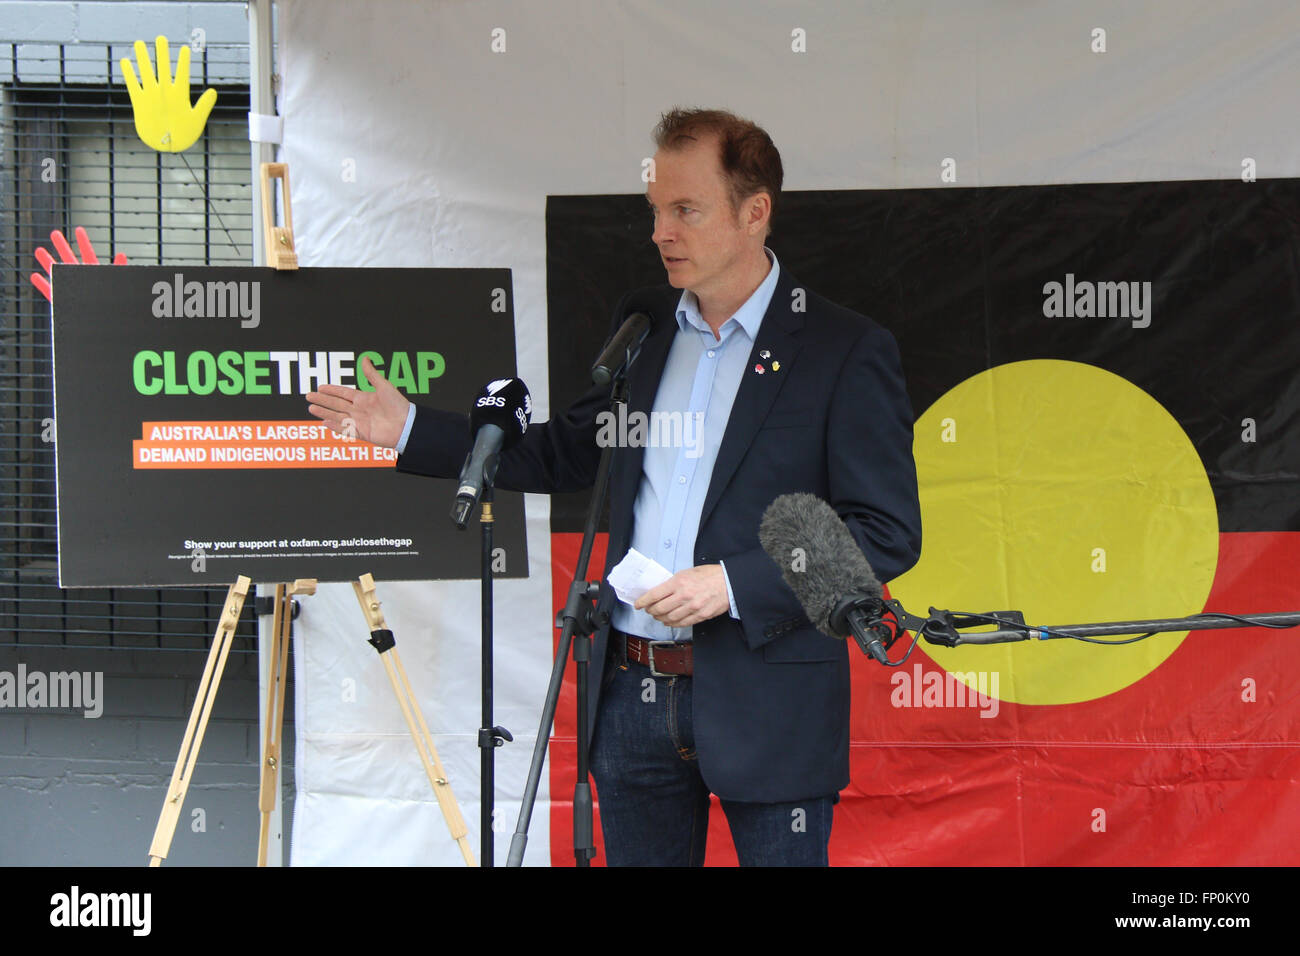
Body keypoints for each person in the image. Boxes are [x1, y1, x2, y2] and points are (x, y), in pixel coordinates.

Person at [307, 107, 922, 866]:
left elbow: (884, 532)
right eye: (655, 210)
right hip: (632, 693)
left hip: (770, 703)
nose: (661, 231)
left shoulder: (842, 348)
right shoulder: (647, 330)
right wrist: (410, 429)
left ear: (755, 212)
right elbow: (568, 453)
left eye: (685, 210)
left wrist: (731, 584)